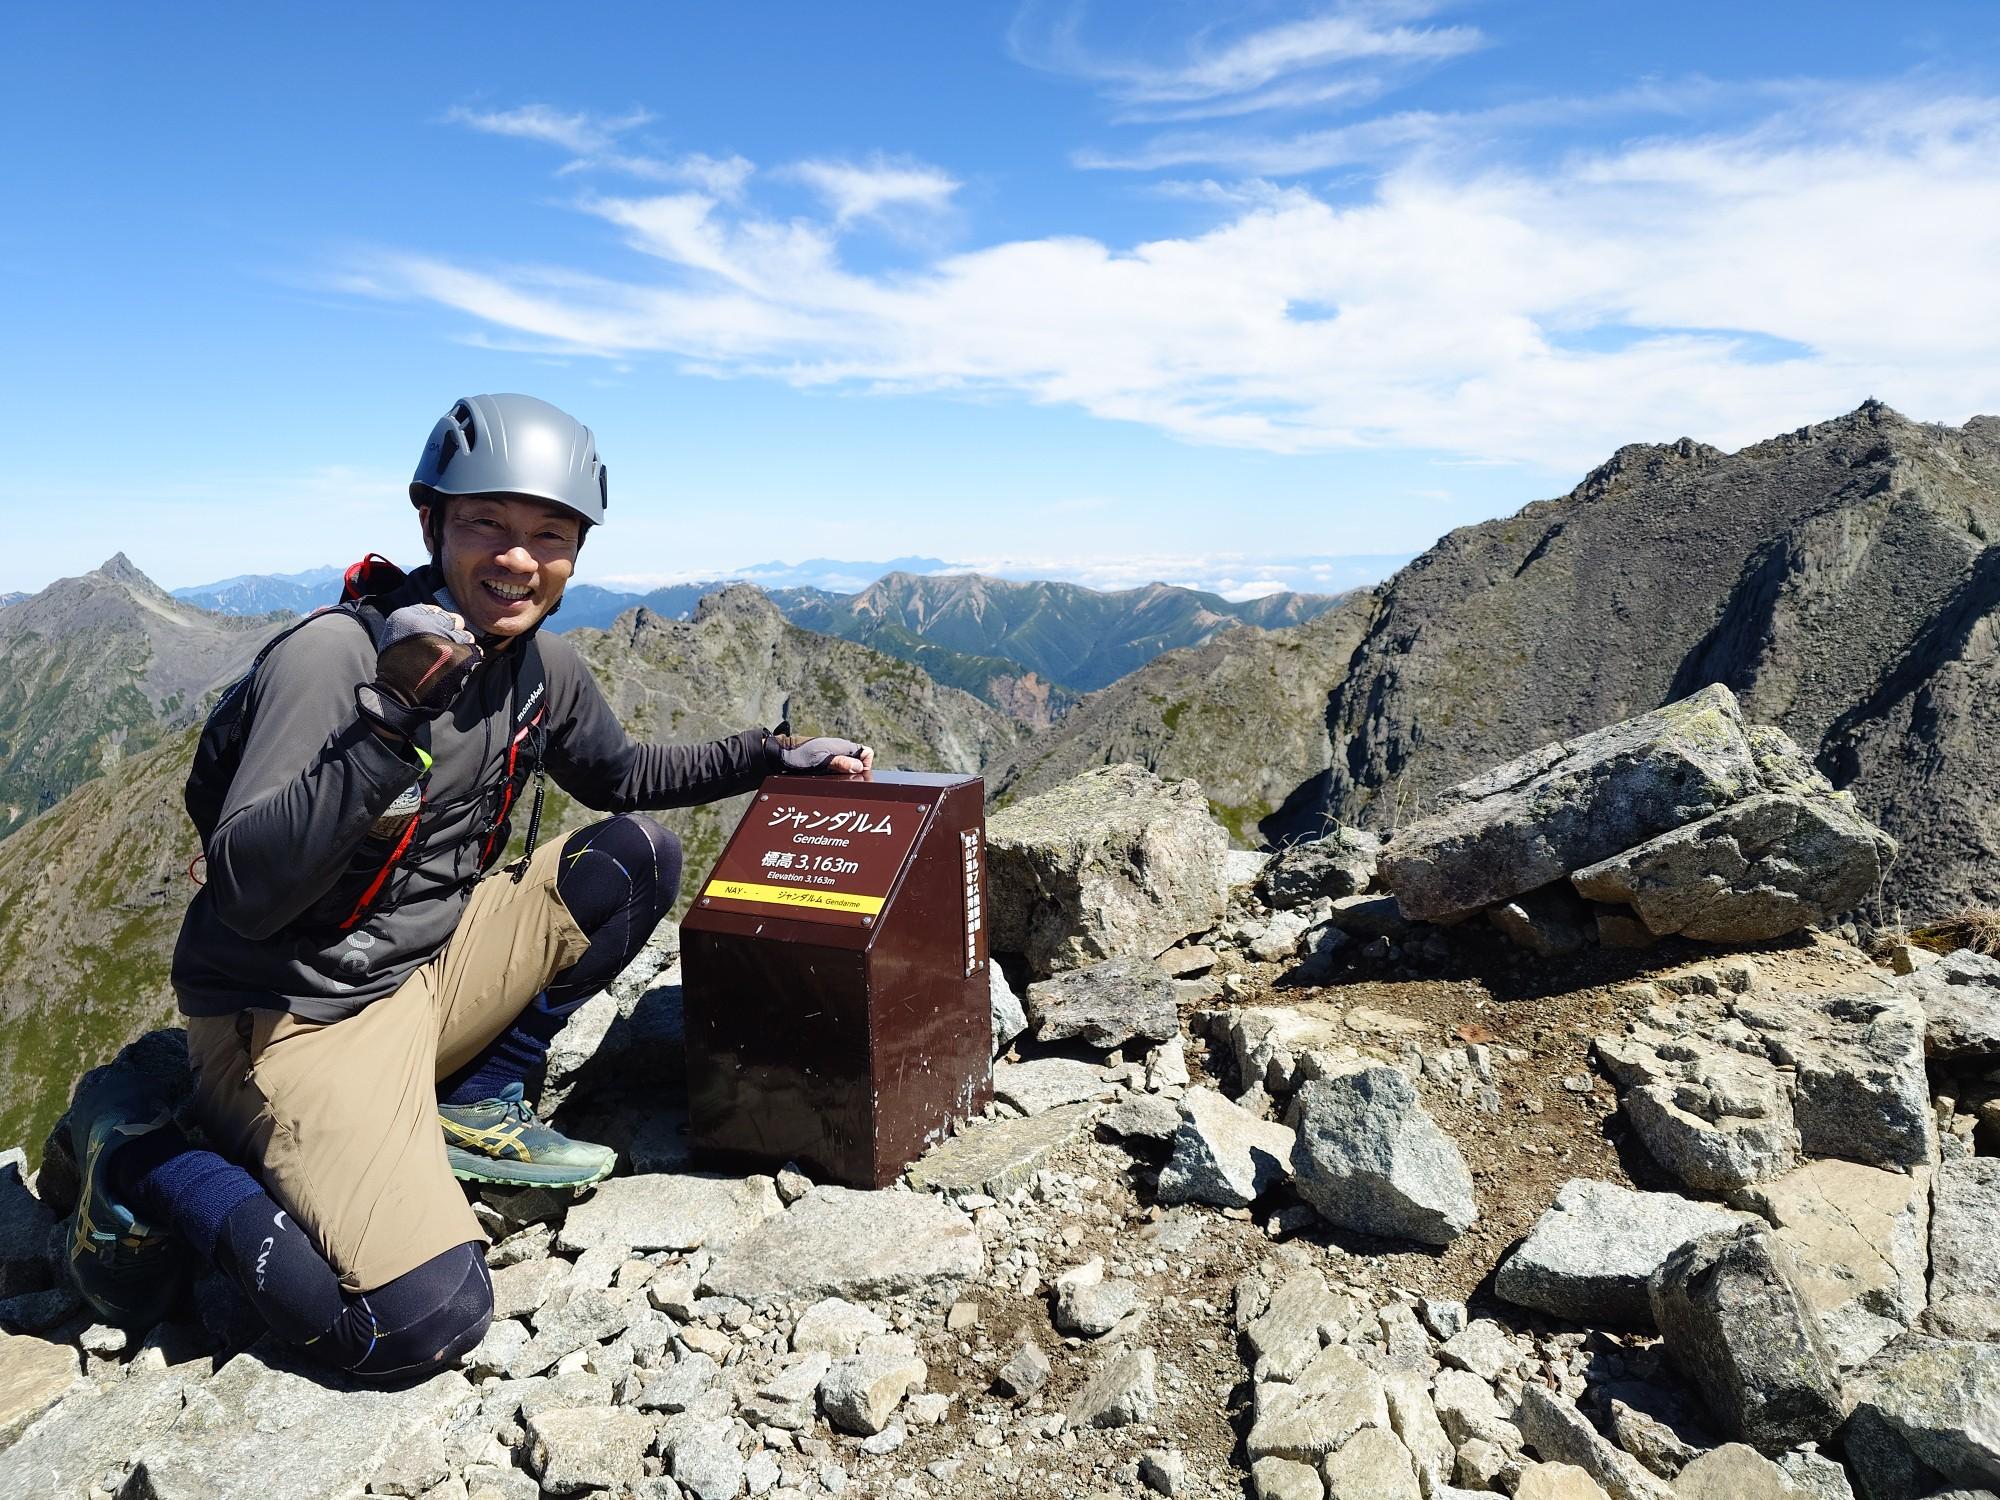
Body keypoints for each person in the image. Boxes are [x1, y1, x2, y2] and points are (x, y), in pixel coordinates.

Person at [63, 393, 872, 1379]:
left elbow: (620, 779)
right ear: (431, 523)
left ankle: (478, 1101)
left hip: (427, 974)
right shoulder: (336, 659)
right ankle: (148, 1162)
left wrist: (776, 756)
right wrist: (390, 717)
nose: (517, 557)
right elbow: (244, 890)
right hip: (293, 1020)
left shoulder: (540, 668)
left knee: (634, 856)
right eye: (487, 521)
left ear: (577, 550)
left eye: (549, 533)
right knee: (419, 1320)